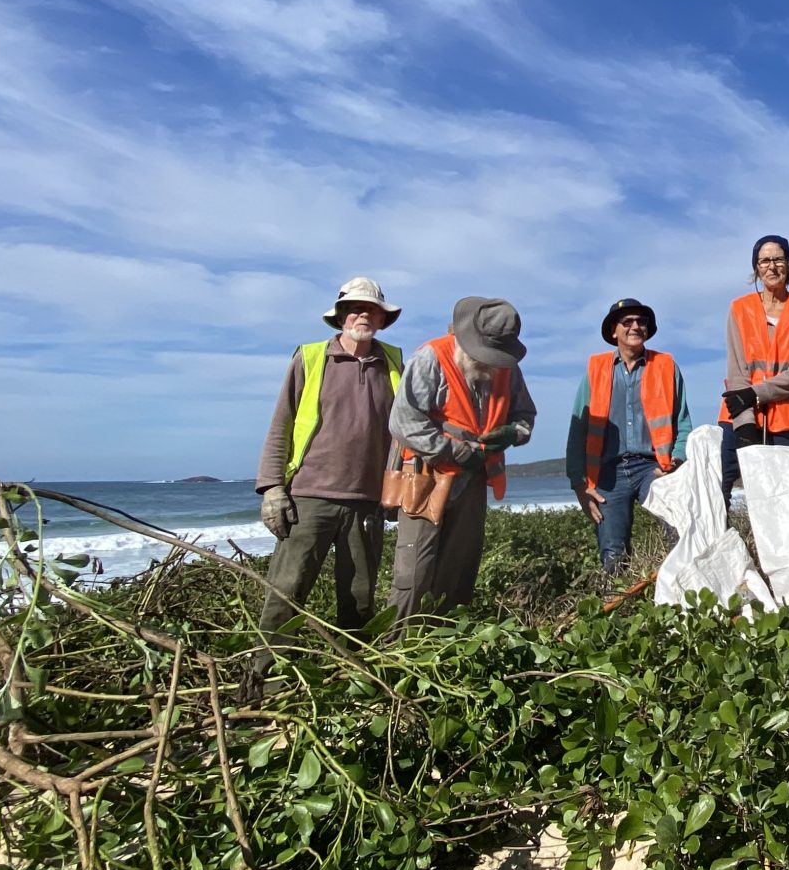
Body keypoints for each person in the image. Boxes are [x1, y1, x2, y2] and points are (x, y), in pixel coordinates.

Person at [249, 277, 404, 687]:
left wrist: (398, 491)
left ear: (382, 319)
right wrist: (272, 488)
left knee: (359, 599)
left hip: (367, 501)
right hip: (308, 496)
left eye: (371, 310)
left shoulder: (394, 364)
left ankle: (354, 681)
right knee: (287, 591)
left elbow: (404, 436)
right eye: (354, 309)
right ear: (340, 317)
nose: (362, 315)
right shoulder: (311, 357)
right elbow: (281, 423)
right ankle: (264, 680)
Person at [385, 296, 536, 622]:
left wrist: (513, 433)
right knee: (414, 573)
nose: (488, 362)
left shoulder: (508, 367)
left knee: (460, 569)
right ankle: (394, 644)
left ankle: (447, 639)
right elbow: (404, 422)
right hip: (426, 478)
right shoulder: (430, 357)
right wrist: (452, 450)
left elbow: (525, 416)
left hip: (474, 480)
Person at [567, 297, 692, 571]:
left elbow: (683, 422)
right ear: (614, 331)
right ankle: (619, 598)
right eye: (627, 322)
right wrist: (579, 484)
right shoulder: (596, 369)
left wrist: (676, 462)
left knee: (680, 535)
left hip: (654, 468)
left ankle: (683, 595)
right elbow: (578, 430)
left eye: (641, 321)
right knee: (613, 555)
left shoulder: (666, 365)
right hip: (608, 473)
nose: (635, 326)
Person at [718, 234, 789, 499]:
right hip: (739, 414)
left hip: (786, 420)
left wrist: (755, 394)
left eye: (778, 259)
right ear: (756, 267)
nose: (772, 267)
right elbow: (737, 369)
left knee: (785, 497)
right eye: (764, 261)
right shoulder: (739, 308)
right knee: (720, 487)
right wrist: (745, 425)